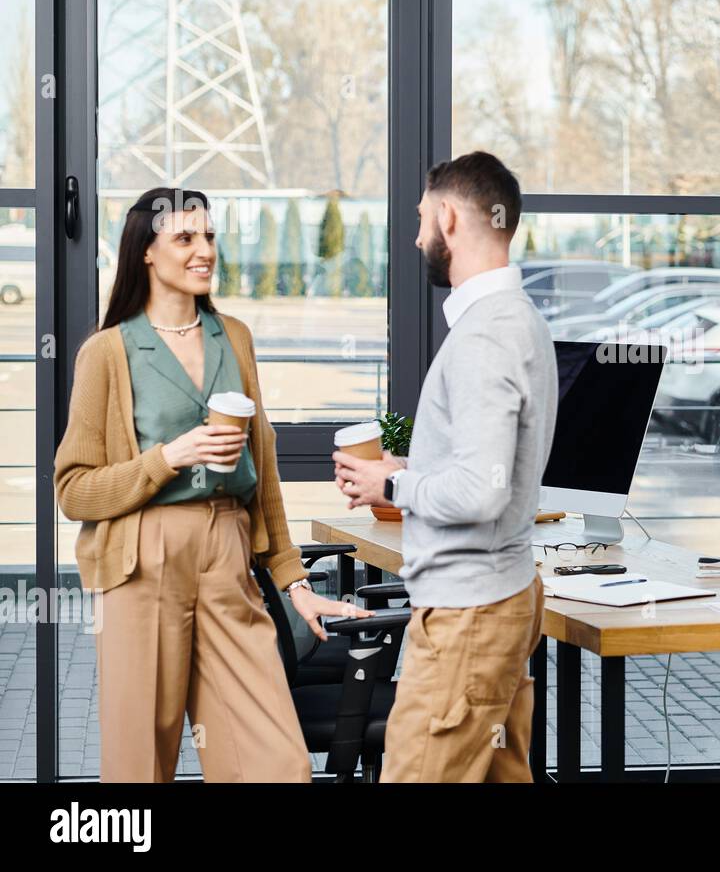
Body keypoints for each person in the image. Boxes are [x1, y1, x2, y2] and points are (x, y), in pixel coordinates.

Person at [55, 187, 367, 782]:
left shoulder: (236, 337)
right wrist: (168, 456)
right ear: (146, 252)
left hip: (227, 555)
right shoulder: (107, 353)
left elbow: (264, 467)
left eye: (210, 237)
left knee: (276, 763)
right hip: (141, 565)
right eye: (185, 238)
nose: (204, 251)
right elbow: (74, 491)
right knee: (139, 766)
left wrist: (293, 582)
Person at [333, 152, 558, 782]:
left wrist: (391, 482)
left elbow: (482, 493)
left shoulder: (485, 336)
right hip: (498, 598)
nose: (416, 236)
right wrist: (416, 463)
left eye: (422, 217)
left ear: (451, 218)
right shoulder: (519, 322)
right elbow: (489, 465)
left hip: (468, 617)